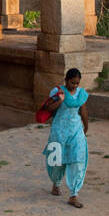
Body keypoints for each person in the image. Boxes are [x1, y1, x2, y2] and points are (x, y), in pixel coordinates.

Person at [43, 68, 90, 208]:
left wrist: (86, 125)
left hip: (76, 131)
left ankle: (74, 194)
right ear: (66, 80)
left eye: (77, 83)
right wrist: (60, 100)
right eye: (72, 82)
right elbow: (48, 108)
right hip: (59, 130)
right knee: (57, 159)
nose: (74, 86)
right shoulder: (57, 92)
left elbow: (83, 110)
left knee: (78, 160)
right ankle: (56, 183)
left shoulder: (81, 94)